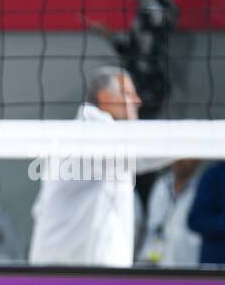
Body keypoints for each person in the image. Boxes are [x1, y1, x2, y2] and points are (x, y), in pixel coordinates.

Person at [28, 66, 172, 267]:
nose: (137, 101)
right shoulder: (91, 132)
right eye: (128, 94)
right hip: (67, 268)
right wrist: (209, 139)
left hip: (75, 264)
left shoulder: (95, 133)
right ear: (105, 97)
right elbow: (147, 154)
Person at [86, 0, 178, 121]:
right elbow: (134, 49)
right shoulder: (152, 8)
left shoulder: (154, 10)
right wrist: (108, 35)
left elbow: (142, 53)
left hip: (148, 87)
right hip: (145, 85)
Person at [137, 158, 203, 266]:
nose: (179, 160)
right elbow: (151, 226)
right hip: (154, 264)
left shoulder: (202, 188)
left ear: (197, 160)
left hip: (187, 266)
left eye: (185, 156)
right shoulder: (161, 184)